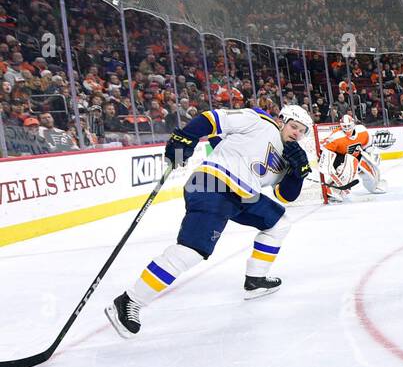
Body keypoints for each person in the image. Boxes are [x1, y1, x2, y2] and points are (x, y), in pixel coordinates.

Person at [105, 104, 314, 338]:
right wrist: (186, 138)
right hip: (213, 183)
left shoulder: (290, 156)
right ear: (281, 120)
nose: (296, 133)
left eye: (302, 131)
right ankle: (129, 301)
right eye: (293, 126)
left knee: (279, 222)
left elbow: (285, 196)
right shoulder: (259, 121)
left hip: (244, 196)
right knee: (191, 251)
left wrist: (297, 173)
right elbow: (213, 119)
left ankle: (255, 280)